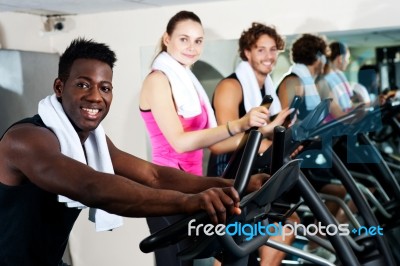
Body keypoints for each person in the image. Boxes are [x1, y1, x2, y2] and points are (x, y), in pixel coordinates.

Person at [0, 38, 268, 266]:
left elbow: (153, 175)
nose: (96, 97)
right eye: (83, 84)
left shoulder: (92, 141)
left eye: (105, 88)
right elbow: (91, 186)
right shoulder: (26, 140)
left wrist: (235, 186)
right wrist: (188, 201)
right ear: (60, 87)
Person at [139, 11, 272, 266]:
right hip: (166, 188)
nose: (192, 47)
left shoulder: (189, 83)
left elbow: (216, 143)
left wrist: (257, 132)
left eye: (198, 41)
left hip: (193, 185)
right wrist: (239, 124)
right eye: (184, 39)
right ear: (167, 39)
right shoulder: (158, 80)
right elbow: (179, 141)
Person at [206, 22, 298, 266]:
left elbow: (268, 134)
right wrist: (263, 142)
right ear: (247, 52)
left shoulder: (268, 88)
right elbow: (221, 141)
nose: (268, 57)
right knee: (232, 243)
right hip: (229, 175)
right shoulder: (231, 86)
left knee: (287, 224)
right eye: (260, 50)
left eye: (272, 50)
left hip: (256, 175)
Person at [276, 34, 340, 263]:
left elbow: (327, 118)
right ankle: (316, 246)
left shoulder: (314, 83)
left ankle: (317, 244)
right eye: (324, 56)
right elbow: (284, 126)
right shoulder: (292, 81)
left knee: (340, 194)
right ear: (318, 56)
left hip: (311, 159)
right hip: (293, 162)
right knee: (334, 196)